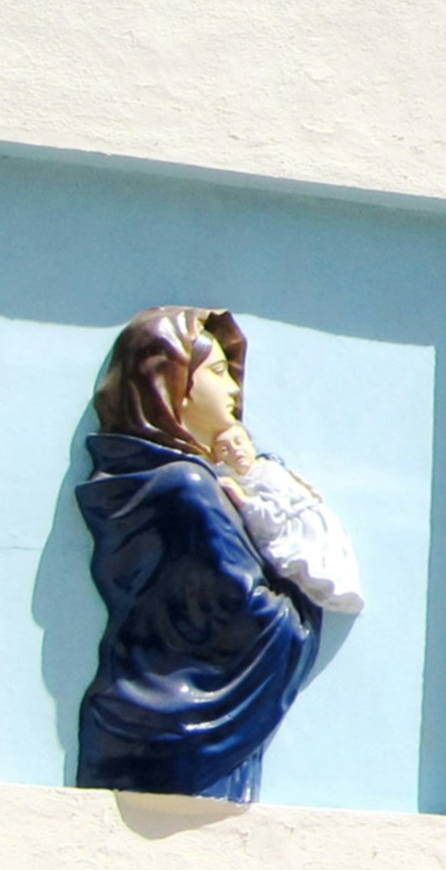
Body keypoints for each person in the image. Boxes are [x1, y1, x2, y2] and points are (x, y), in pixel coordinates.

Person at [74, 307, 362, 801]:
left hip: (140, 731)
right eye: (216, 372)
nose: (233, 388)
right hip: (184, 741)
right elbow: (241, 608)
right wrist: (298, 598)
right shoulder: (186, 487)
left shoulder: (148, 478)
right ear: (170, 383)